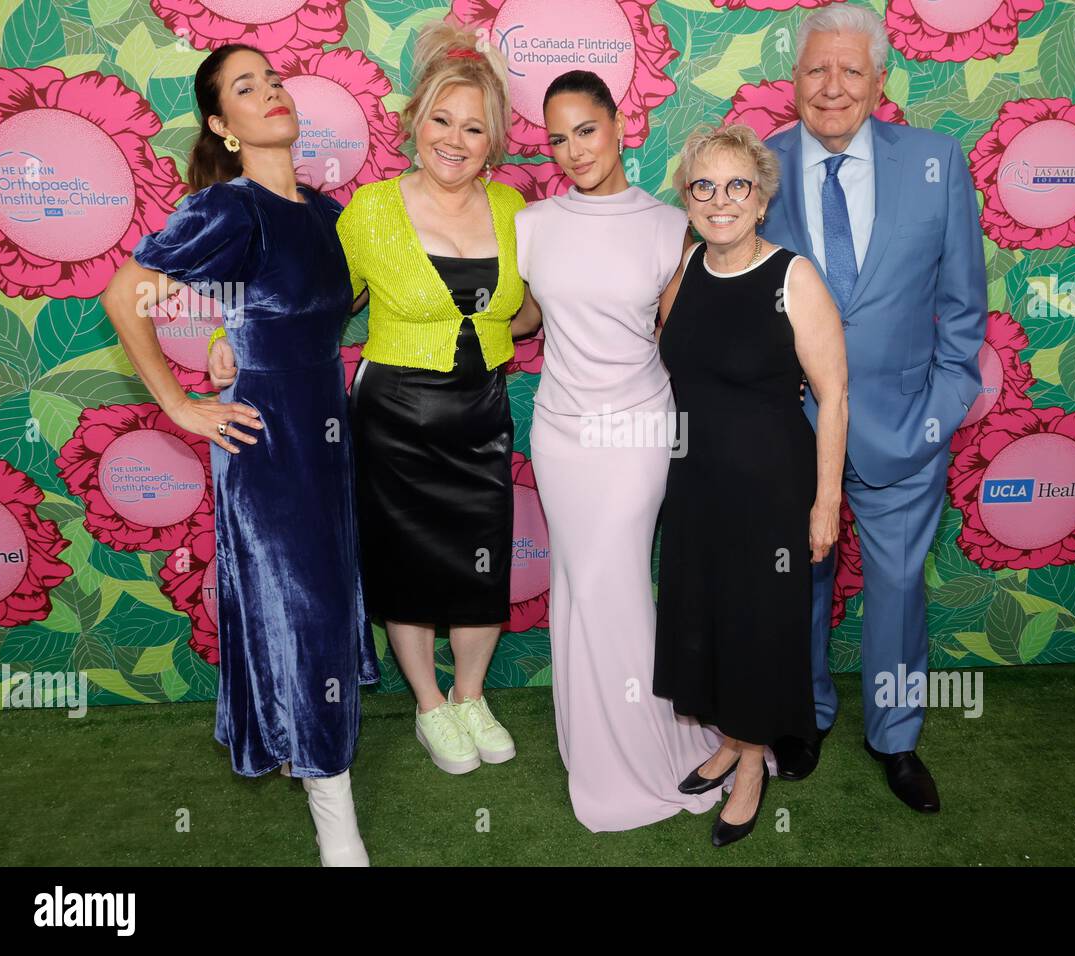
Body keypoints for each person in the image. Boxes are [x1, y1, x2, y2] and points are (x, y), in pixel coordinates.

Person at [210, 23, 523, 777]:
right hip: (396, 416)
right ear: (416, 124)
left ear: (493, 143)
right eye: (441, 120)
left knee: (484, 566)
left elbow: (533, 306)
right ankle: (428, 706)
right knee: (409, 562)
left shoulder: (517, 212)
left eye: (473, 128)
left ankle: (471, 694)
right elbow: (314, 298)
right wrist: (236, 334)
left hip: (483, 411)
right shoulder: (370, 211)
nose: (455, 139)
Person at [103, 44, 378, 866]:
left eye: (275, 80)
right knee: (309, 615)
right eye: (247, 89)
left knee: (315, 608)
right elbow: (126, 296)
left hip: (326, 439)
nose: (271, 94)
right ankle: (336, 814)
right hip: (264, 446)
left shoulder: (327, 215)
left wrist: (226, 330)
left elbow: (301, 303)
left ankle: (302, 745)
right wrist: (180, 404)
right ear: (223, 126)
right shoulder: (228, 207)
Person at [759, 6, 987, 811]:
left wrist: (941, 409)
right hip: (790, 430)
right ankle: (806, 716)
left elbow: (964, 310)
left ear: (880, 81)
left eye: (851, 71)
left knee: (895, 587)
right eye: (818, 69)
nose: (832, 87)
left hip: (905, 426)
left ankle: (895, 738)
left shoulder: (936, 162)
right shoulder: (760, 166)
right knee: (800, 583)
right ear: (796, 78)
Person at [512, 71, 722, 832]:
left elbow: (682, 343)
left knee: (615, 587)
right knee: (578, 590)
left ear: (619, 124)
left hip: (636, 430)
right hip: (562, 435)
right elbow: (525, 321)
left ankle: (645, 751)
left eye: (586, 131)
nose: (573, 151)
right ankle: (595, 749)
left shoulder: (671, 227)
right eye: (558, 138)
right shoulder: (531, 225)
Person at [655, 123, 847, 847]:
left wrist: (825, 501)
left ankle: (751, 767)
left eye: (738, 185)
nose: (721, 199)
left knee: (757, 625)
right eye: (704, 186)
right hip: (696, 484)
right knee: (708, 617)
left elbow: (834, 394)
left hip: (771, 489)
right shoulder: (686, 270)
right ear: (689, 199)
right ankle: (732, 740)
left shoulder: (792, 277)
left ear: (761, 199)